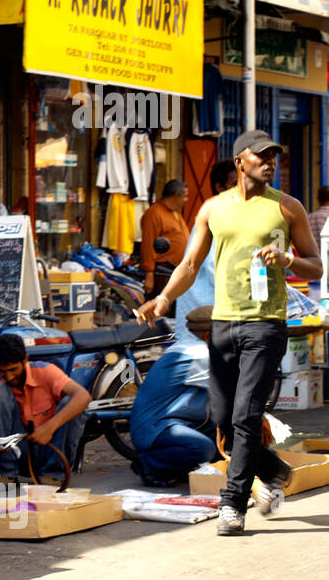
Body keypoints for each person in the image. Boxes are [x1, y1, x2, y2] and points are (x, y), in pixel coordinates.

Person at [137, 130, 322, 537]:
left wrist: (288, 258)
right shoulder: (213, 208)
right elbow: (188, 265)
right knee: (223, 418)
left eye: (274, 155)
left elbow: (315, 266)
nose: (270, 161)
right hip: (223, 324)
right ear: (240, 161)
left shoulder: (288, 208)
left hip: (265, 325)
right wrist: (164, 300)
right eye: (261, 155)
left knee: (246, 415)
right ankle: (273, 470)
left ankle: (232, 504)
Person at [0, 334, 91, 483]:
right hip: (17, 453)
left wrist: (49, 428)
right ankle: (7, 474)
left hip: (49, 450)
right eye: (3, 371)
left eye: (13, 369)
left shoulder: (45, 371)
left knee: (72, 403)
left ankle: (54, 475)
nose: (9, 376)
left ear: (25, 360)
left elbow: (83, 396)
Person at [128, 306, 218, 486]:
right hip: (156, 427)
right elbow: (231, 392)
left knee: (224, 442)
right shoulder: (199, 355)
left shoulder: (187, 346)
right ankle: (148, 464)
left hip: (178, 421)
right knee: (204, 449)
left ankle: (178, 468)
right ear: (208, 334)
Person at [175, 161, 240, 344]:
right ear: (219, 187)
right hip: (203, 315)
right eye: (235, 184)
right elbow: (216, 269)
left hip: (216, 315)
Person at [140, 179, 189, 291]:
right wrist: (149, 275)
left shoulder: (175, 211)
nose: (186, 200)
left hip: (177, 270)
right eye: (185, 196)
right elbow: (148, 245)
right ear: (176, 196)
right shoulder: (154, 213)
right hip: (164, 271)